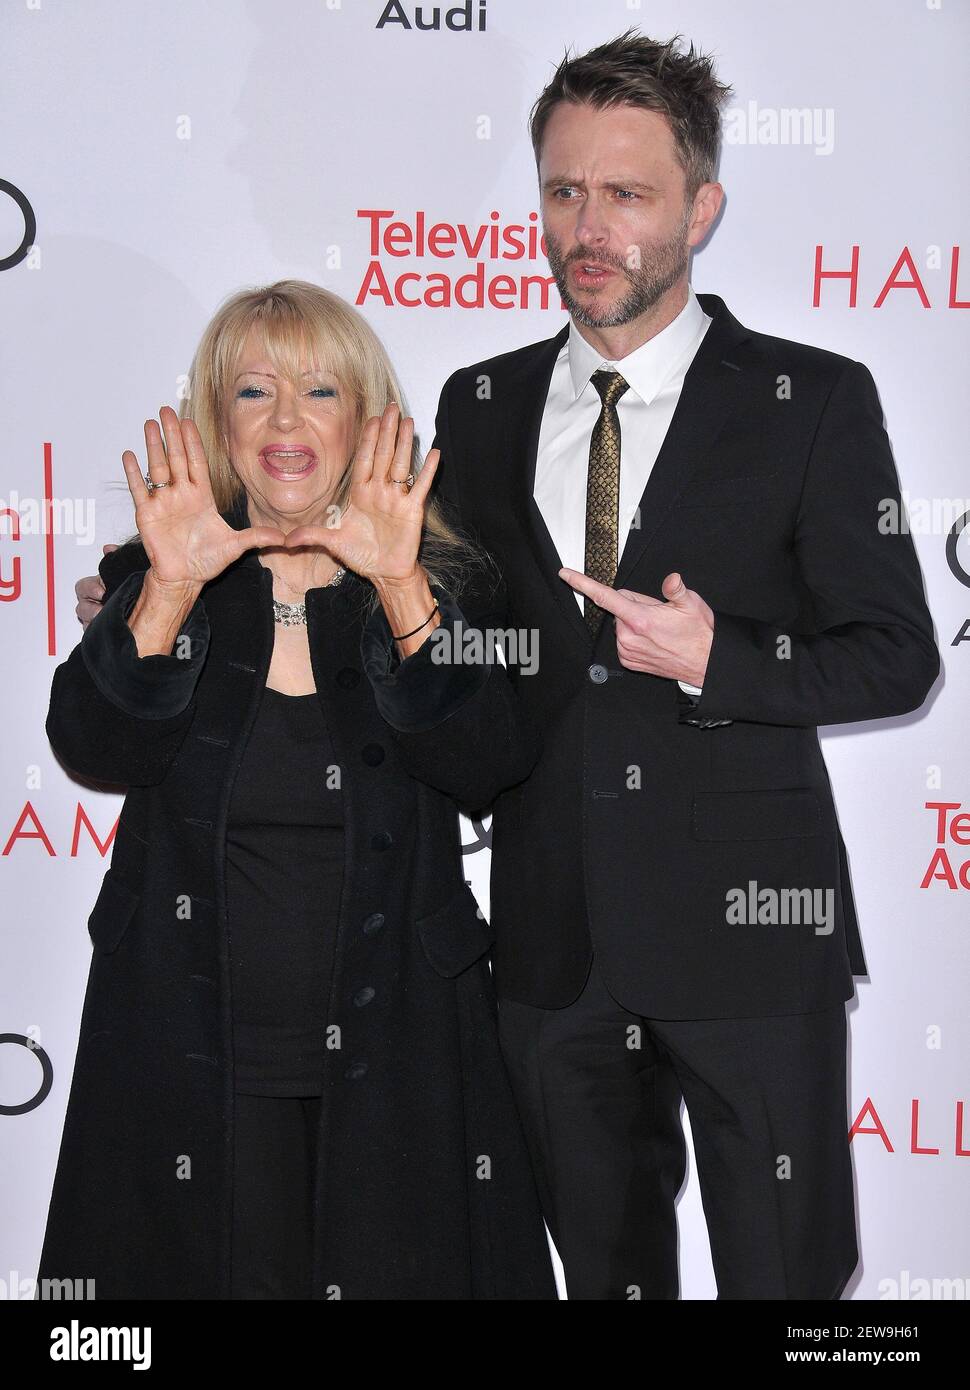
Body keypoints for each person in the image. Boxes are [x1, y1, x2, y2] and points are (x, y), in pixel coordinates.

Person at [40, 279, 556, 1300]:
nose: (285, 421)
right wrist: (172, 586)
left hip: (400, 1049)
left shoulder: (446, 584)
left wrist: (401, 585)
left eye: (320, 390)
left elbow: (485, 761)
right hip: (192, 1051)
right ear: (215, 423)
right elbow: (92, 745)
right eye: (253, 393)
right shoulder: (155, 572)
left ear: (365, 422)